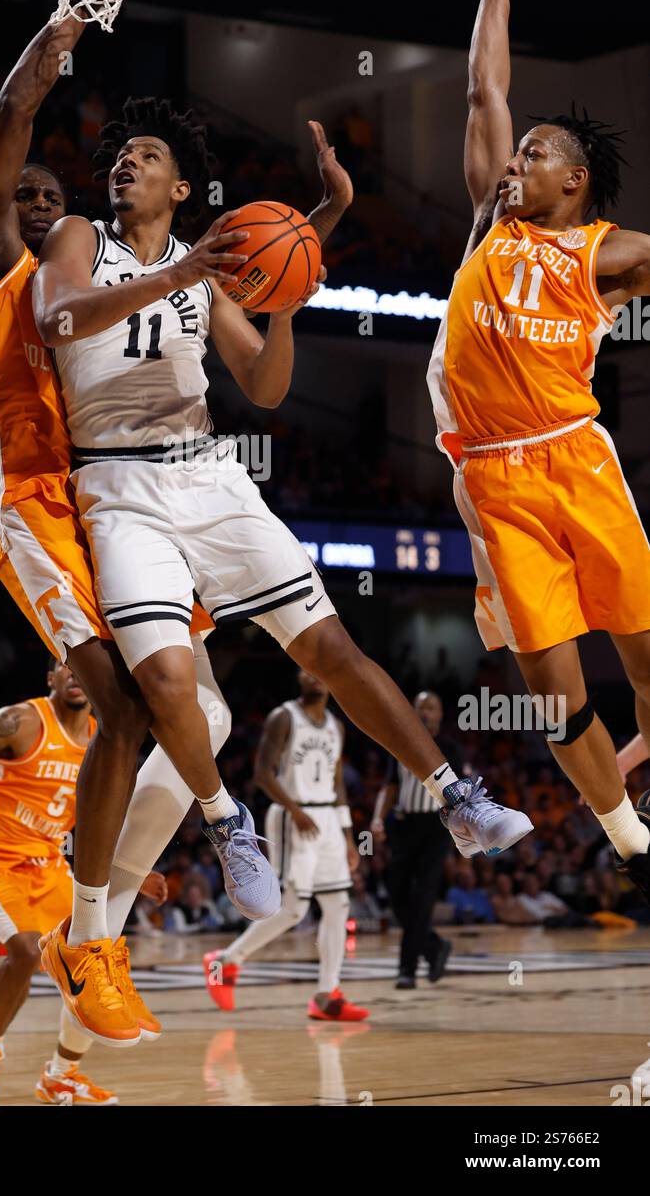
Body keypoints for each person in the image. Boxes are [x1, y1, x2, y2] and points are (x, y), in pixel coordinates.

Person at [33, 92, 532, 1041]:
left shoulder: (211, 268)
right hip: (117, 486)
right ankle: (225, 823)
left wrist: (312, 252)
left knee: (335, 647)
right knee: (167, 678)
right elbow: (60, 322)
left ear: (182, 187)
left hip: (211, 476)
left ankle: (460, 797)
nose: (124, 166)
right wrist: (186, 268)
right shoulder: (75, 239)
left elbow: (263, 380)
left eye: (145, 157)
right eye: (121, 158)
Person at [0, 0, 268, 1049]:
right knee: (126, 709)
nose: (44, 209)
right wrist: (49, 52)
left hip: (108, 501)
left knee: (205, 719)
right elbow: (5, 142)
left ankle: (112, 911)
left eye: (57, 197)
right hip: (32, 505)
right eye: (28, 198)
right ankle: (95, 939)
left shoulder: (107, 282)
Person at [426, 0, 650, 903]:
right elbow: (484, 92)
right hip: (493, 477)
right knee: (552, 694)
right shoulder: (490, 220)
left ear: (576, 180)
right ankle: (627, 838)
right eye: (516, 154)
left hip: (576, 459)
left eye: (535, 155)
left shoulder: (608, 256)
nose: (516, 162)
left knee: (642, 653)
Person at [0, 658, 163, 1105]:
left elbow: (89, 825)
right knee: (21, 950)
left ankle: (60, 1076)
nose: (74, 673)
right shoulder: (20, 721)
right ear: (50, 678)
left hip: (49, 864)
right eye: (64, 666)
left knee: (92, 959)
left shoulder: (102, 739)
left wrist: (132, 871)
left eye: (81, 667)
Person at [203, 670, 367, 1022]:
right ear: (298, 675)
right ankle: (227, 960)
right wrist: (295, 810)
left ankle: (327, 994)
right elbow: (262, 773)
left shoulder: (336, 727)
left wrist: (349, 836)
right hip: (295, 817)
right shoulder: (284, 717)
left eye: (322, 668)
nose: (316, 674)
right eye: (308, 667)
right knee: (293, 908)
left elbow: (338, 785)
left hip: (327, 820)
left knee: (338, 904)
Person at [372, 691, 463, 987]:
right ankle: (433, 946)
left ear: (440, 714)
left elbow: (463, 795)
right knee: (396, 893)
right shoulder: (399, 741)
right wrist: (377, 818)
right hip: (404, 823)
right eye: (420, 707)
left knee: (423, 897)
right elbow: (390, 786)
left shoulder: (451, 748)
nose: (425, 712)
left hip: (436, 827)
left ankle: (407, 969)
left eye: (431, 707)